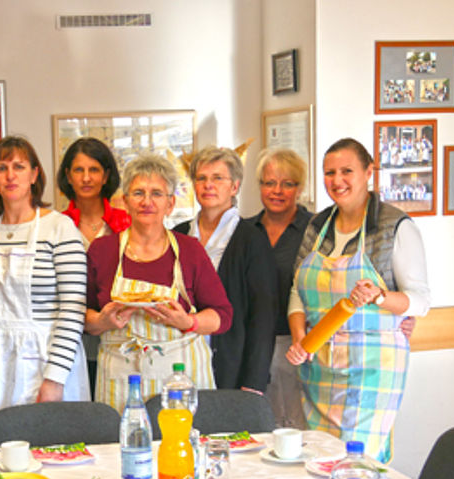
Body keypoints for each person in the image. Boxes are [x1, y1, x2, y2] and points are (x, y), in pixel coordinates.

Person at [285, 138, 431, 463]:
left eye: (347, 171)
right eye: (329, 172)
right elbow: (297, 291)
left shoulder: (395, 227)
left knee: (355, 462)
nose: (337, 181)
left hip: (372, 369)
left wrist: (380, 296)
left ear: (368, 172)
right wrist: (301, 338)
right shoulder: (317, 226)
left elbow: (420, 301)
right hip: (319, 370)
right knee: (318, 459)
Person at [0, 136, 90, 452]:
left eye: (18, 167)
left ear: (34, 174)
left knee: (45, 453)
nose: (10, 175)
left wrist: (54, 379)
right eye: (1, 168)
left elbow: (72, 308)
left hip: (43, 357)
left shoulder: (60, 228)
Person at [85, 154, 233, 412]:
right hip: (121, 379)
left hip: (181, 375)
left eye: (157, 194)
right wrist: (101, 322)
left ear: (171, 203)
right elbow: (81, 315)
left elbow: (222, 316)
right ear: (125, 201)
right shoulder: (102, 251)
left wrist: (189, 322)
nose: (147, 202)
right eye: (138, 193)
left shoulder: (190, 250)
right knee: (123, 447)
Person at [176, 146, 279, 396]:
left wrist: (254, 379)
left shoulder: (252, 238)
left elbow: (263, 314)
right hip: (181, 358)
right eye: (201, 178)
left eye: (217, 178)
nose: (208, 185)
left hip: (231, 362)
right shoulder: (178, 234)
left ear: (234, 187)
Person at [240, 148, 314, 428]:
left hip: (300, 343)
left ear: (300, 187)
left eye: (288, 183)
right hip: (254, 346)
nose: (277, 191)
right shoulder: (244, 231)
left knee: (300, 426)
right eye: (269, 183)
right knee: (263, 427)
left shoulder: (315, 229)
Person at [57, 137, 131, 395]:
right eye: (79, 170)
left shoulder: (125, 222)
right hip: (70, 339)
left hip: (120, 337)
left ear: (106, 174)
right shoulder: (56, 225)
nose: (86, 178)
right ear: (68, 176)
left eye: (94, 170)